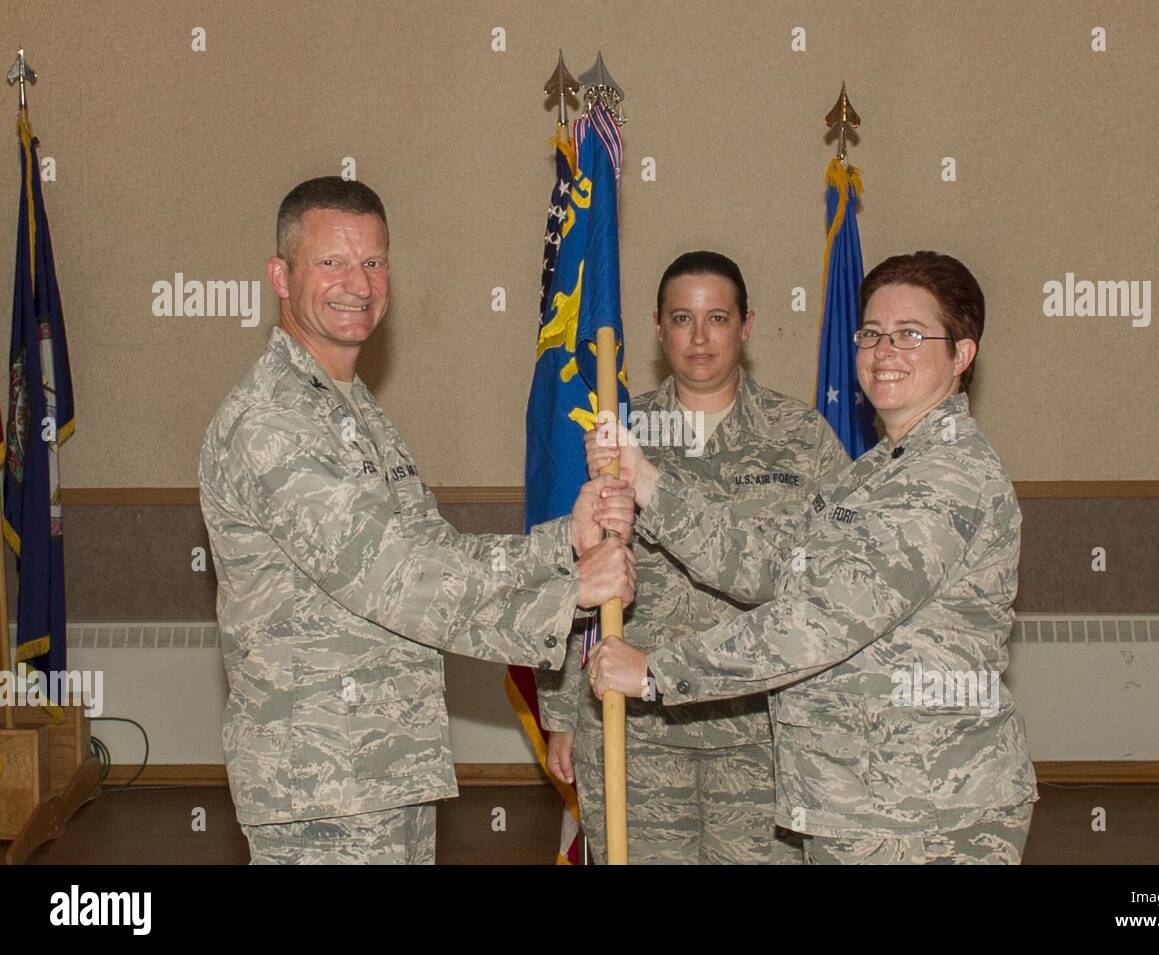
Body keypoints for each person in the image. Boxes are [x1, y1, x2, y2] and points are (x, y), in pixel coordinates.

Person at [199, 177, 636, 864]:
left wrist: (563, 542)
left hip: (385, 769)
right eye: (331, 262)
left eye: (374, 261)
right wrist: (569, 590)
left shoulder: (356, 410)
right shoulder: (272, 421)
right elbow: (399, 577)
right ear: (280, 276)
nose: (358, 283)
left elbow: (432, 550)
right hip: (321, 786)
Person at [588, 251, 1038, 864]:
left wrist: (655, 673)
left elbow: (820, 620)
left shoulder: (947, 477)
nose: (884, 352)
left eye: (910, 335)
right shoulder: (878, 471)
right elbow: (778, 563)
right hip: (859, 801)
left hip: (926, 811)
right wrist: (647, 483)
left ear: (961, 354)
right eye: (872, 334)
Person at [538, 251, 847, 864]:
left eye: (717, 319)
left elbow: (828, 588)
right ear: (657, 329)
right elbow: (573, 577)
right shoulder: (615, 435)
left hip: (759, 732)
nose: (699, 337)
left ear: (747, 326)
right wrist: (561, 709)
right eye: (682, 319)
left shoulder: (802, 438)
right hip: (636, 730)